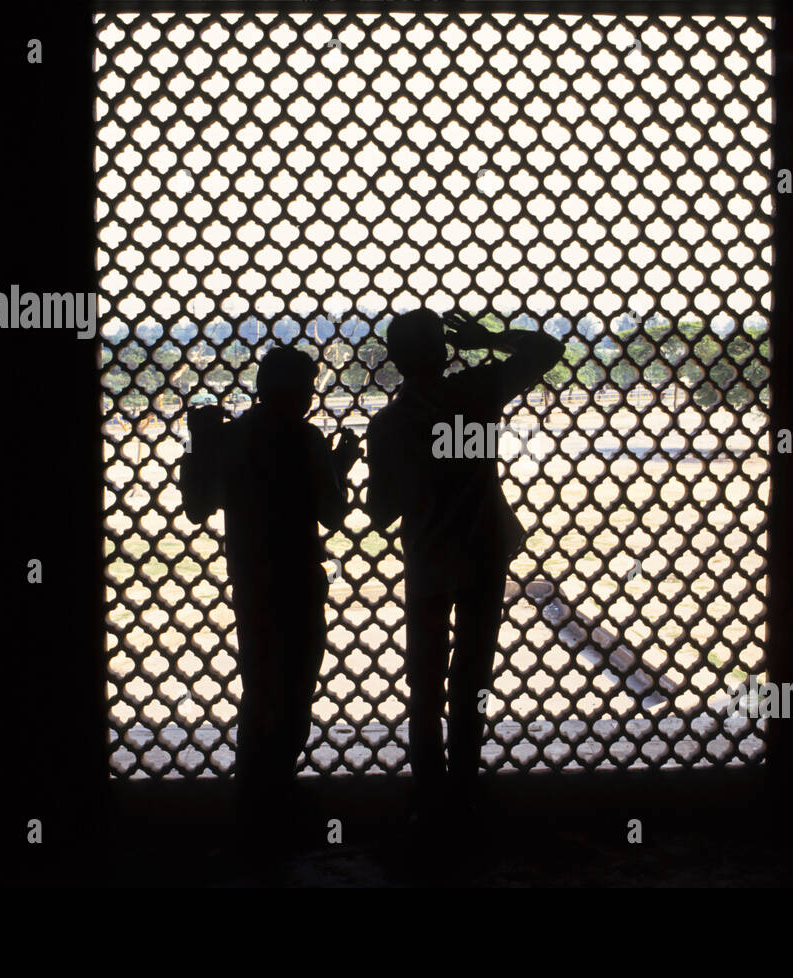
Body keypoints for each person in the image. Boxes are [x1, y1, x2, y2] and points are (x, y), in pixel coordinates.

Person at [365, 309, 563, 824]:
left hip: (428, 558)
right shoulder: (475, 393)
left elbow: (382, 512)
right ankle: (465, 788)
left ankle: (430, 795)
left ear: (395, 359)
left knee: (425, 679)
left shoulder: (388, 424)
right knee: (473, 672)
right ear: (445, 350)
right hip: (483, 548)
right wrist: (489, 340)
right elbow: (547, 350)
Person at [218, 346, 360, 837]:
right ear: (295, 390)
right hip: (298, 578)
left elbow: (197, 506)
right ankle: (275, 794)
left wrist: (198, 443)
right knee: (296, 687)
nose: (309, 395)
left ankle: (253, 800)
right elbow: (332, 515)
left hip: (252, 580)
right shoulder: (306, 439)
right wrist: (340, 464)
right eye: (307, 386)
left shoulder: (233, 438)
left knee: (260, 688)